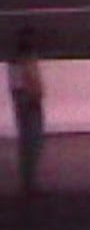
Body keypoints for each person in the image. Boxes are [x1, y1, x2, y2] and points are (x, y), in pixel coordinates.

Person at [8, 27, 44, 197]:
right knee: (30, 143)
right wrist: (30, 97)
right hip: (28, 104)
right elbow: (20, 86)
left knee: (32, 143)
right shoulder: (20, 60)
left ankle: (29, 182)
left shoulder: (26, 59)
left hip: (31, 102)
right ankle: (28, 183)